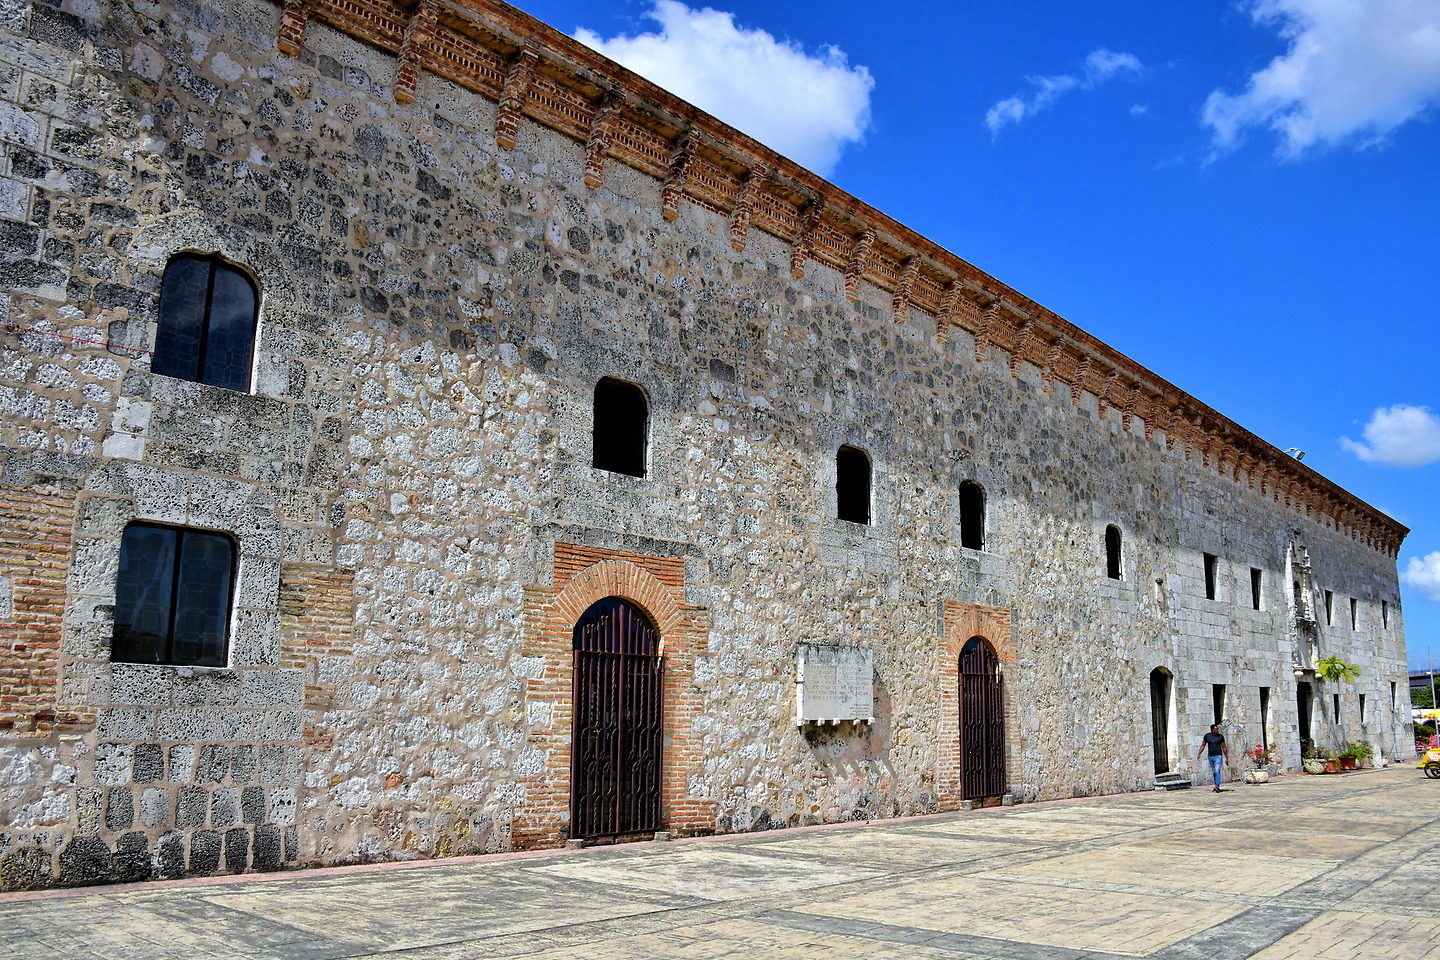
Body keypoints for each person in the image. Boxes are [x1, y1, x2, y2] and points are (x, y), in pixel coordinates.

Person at [1196, 723, 1228, 792]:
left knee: (1217, 771)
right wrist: (1199, 753)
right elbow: (1203, 745)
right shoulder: (1207, 736)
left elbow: (1224, 747)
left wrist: (1226, 758)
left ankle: (1217, 786)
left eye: (1218, 729)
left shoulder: (1220, 737)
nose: (1218, 731)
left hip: (1218, 756)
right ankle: (1216, 785)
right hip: (1210, 757)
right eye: (1216, 729)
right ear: (1212, 730)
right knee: (1214, 771)